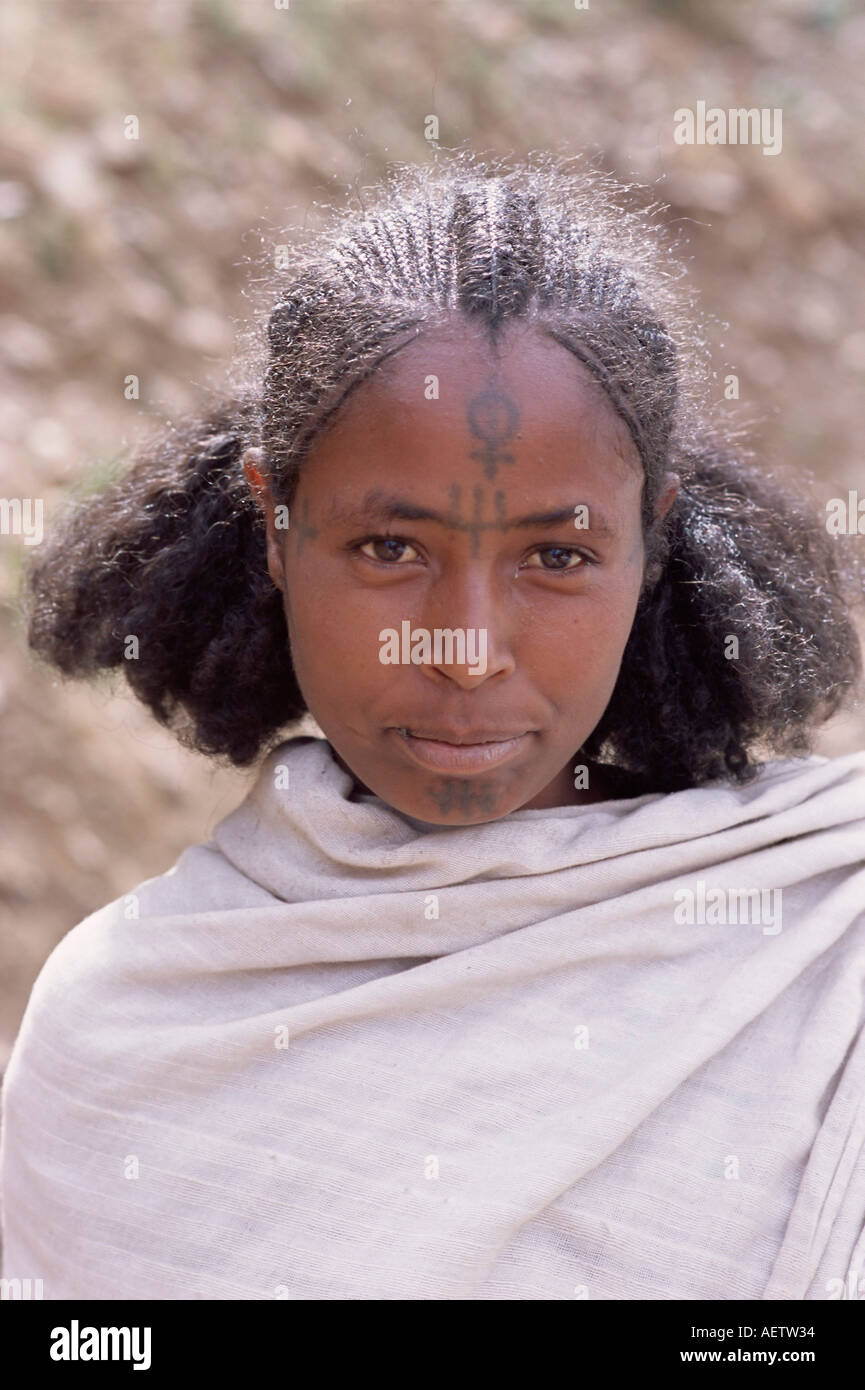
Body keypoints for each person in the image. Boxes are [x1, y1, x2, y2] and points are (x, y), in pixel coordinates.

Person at [2, 152, 864, 1301]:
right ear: (275, 523)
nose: (462, 649)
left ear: (648, 542)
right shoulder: (124, 1028)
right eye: (389, 549)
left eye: (556, 557)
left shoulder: (821, 943)